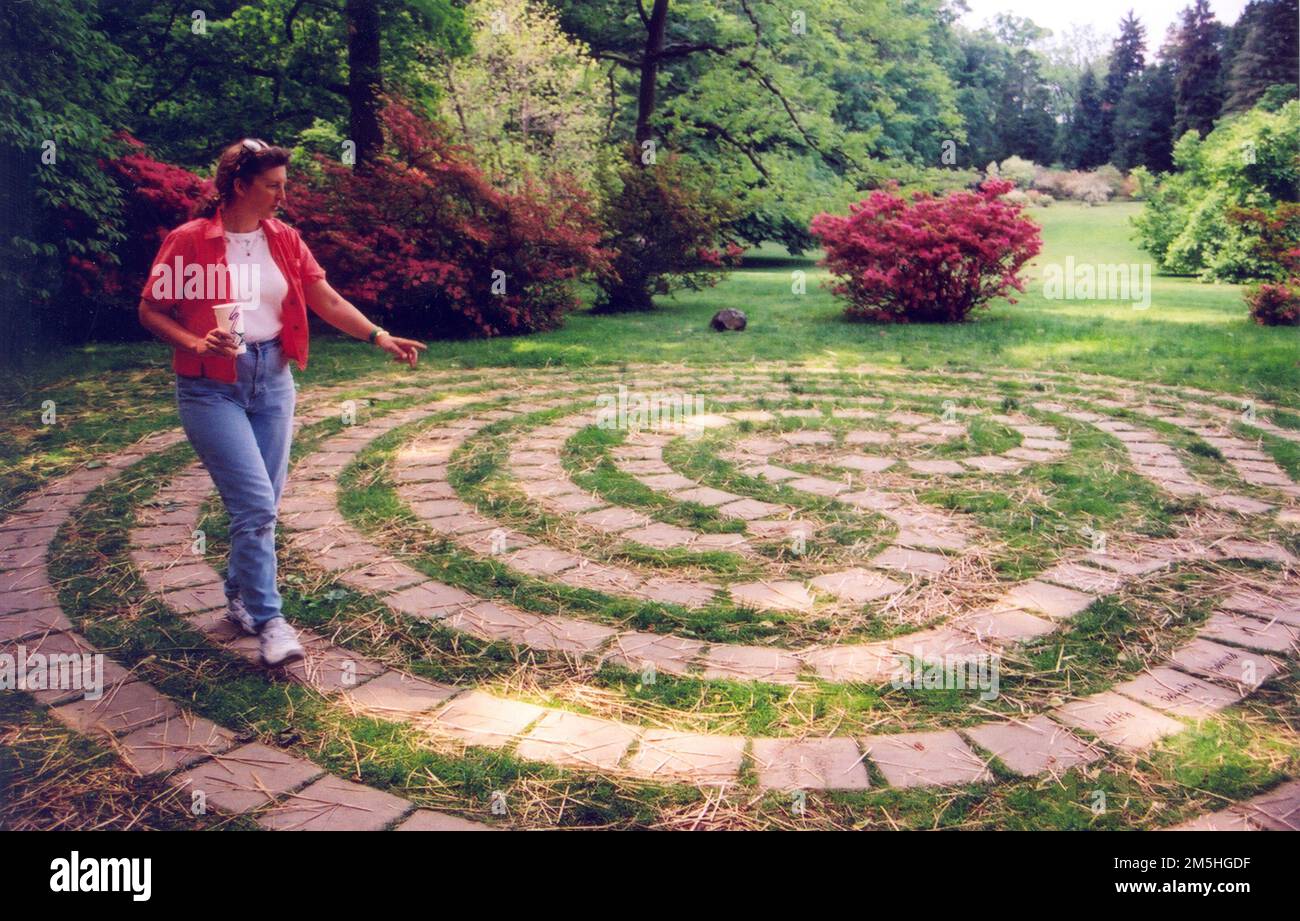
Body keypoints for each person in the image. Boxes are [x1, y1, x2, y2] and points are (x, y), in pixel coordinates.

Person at [137, 138, 426, 666]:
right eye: (272, 186)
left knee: (262, 506)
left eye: (284, 186)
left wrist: (378, 335)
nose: (281, 197)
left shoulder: (285, 240)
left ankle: (241, 601)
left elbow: (326, 299)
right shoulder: (188, 242)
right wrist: (196, 343)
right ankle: (271, 622)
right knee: (254, 505)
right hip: (209, 386)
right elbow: (151, 310)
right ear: (240, 185)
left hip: (273, 380)